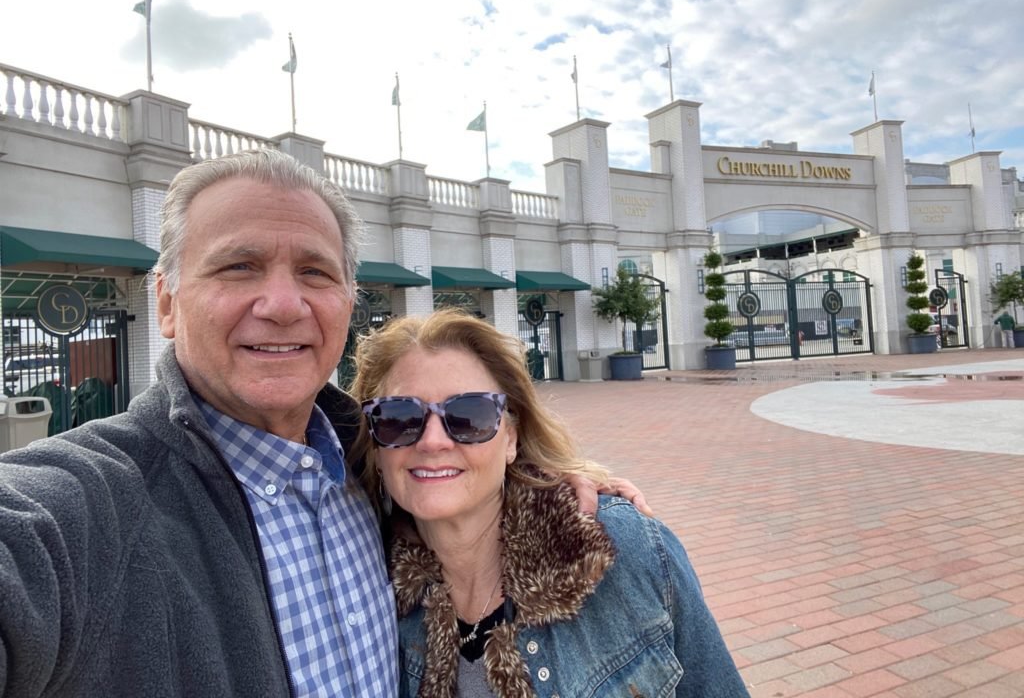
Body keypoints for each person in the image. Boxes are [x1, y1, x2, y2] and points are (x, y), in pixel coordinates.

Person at [0, 149, 646, 697]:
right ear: (166, 303)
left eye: (315, 272)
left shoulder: (376, 468)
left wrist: (539, 483)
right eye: (238, 266)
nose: (283, 305)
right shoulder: (91, 510)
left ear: (345, 303)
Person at [352, 309, 750, 697]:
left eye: (469, 414)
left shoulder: (620, 549)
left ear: (511, 438)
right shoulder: (369, 593)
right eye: (398, 418)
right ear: (375, 443)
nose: (433, 441)